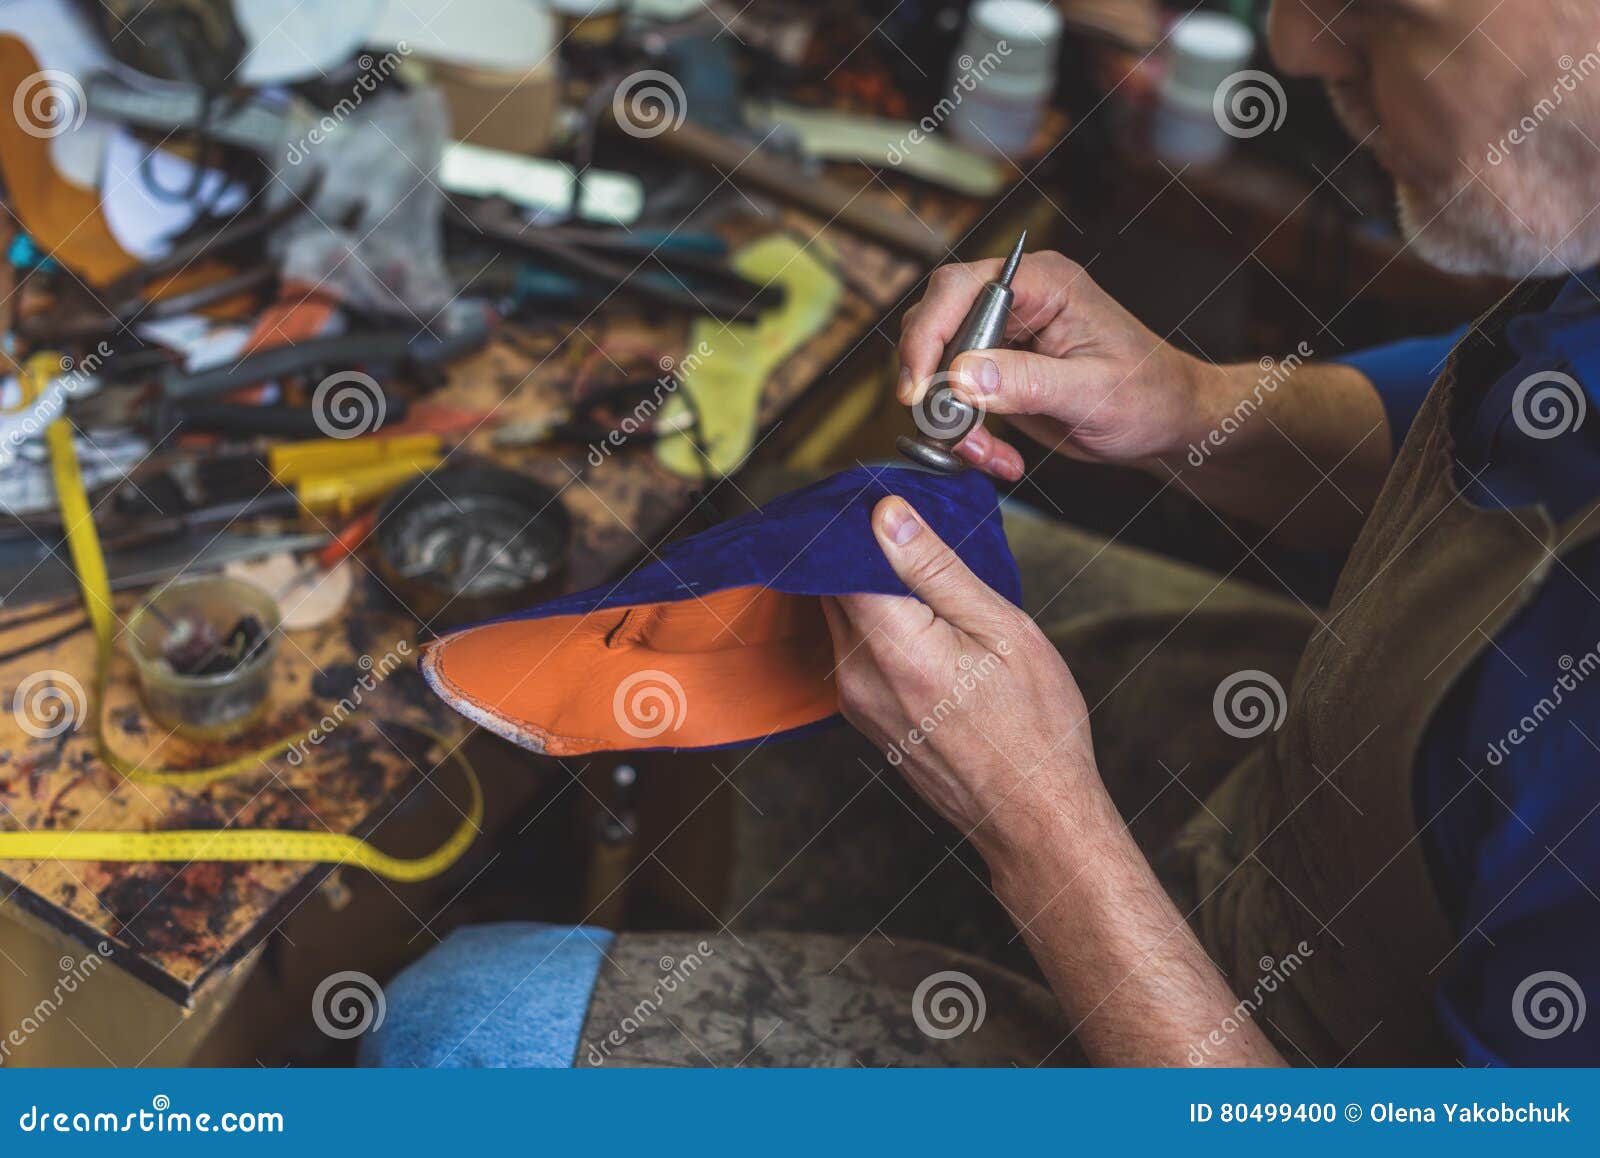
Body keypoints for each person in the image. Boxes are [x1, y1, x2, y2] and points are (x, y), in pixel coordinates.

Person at [367, 0, 1600, 1067]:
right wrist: (1185, 408)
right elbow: (1475, 429)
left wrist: (1040, 830)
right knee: (798, 549)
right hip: (1315, 786)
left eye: (1374, 4)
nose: (1292, 41)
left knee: (463, 1035)